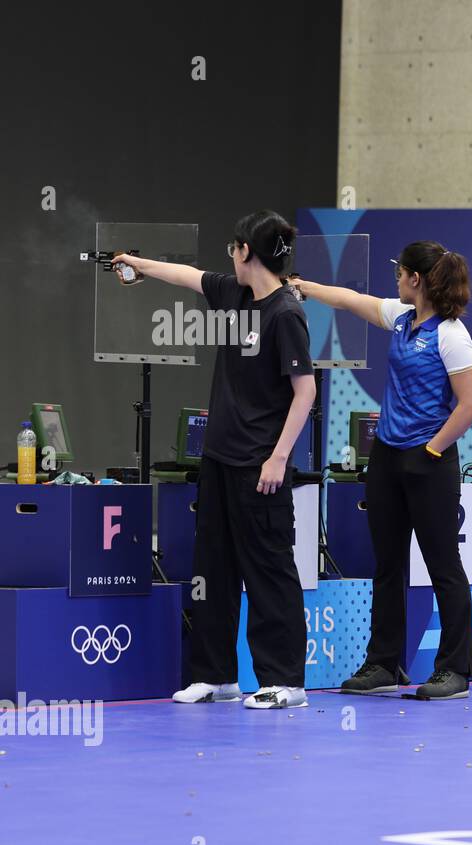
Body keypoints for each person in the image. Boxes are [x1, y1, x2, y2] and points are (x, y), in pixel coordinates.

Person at [114, 209, 316, 708]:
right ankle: (215, 674)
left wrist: (278, 458)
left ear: (248, 251)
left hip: (261, 468)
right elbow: (189, 277)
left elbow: (305, 391)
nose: (230, 255)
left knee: (269, 572)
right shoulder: (236, 295)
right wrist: (138, 264)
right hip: (220, 462)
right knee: (213, 571)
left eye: (233, 247)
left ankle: (285, 681)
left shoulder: (286, 313)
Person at [289, 242, 472, 700]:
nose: (394, 278)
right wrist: (302, 287)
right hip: (388, 459)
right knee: (388, 566)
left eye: (400, 272)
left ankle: (455, 670)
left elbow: (469, 406)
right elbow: (350, 301)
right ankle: (383, 664)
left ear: (416, 279)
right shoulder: (399, 316)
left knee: (443, 567)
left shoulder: (452, 335)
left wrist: (431, 452)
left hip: (430, 461)